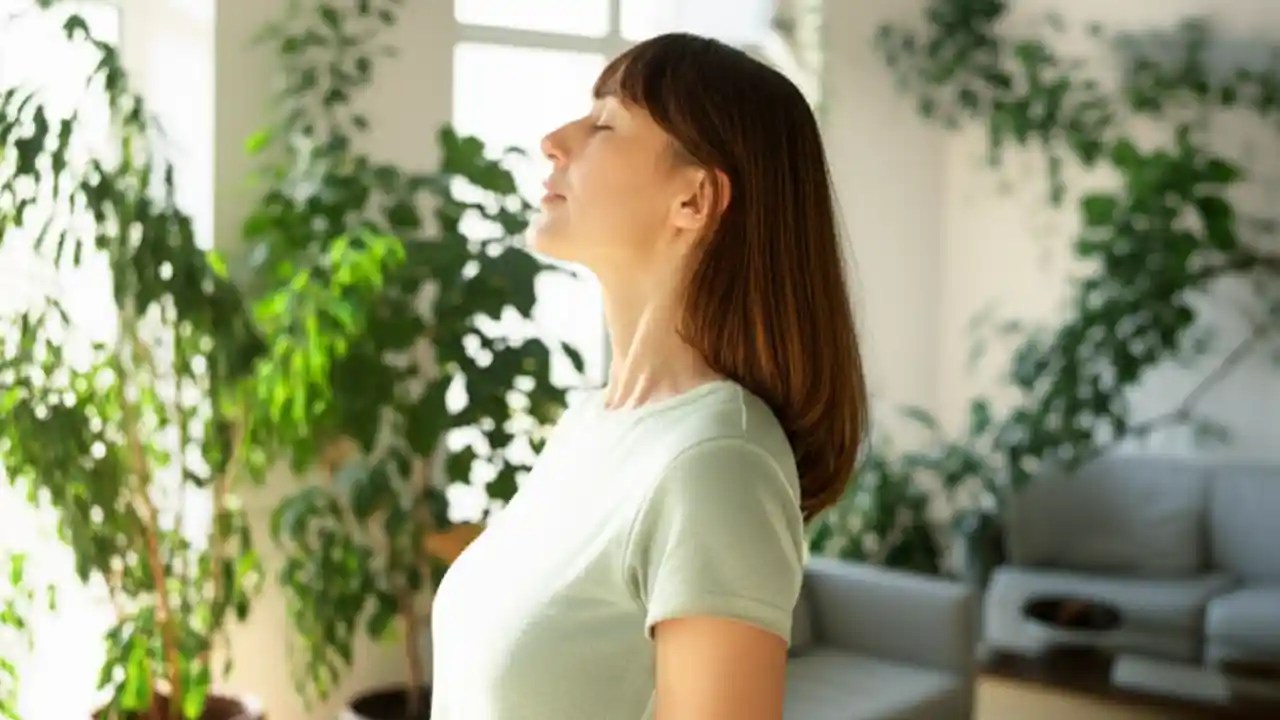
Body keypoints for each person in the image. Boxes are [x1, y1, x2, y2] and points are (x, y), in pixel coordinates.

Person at [430, 32, 867, 720]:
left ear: (694, 200)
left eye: (605, 123)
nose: (554, 140)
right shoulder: (590, 428)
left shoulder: (719, 462)